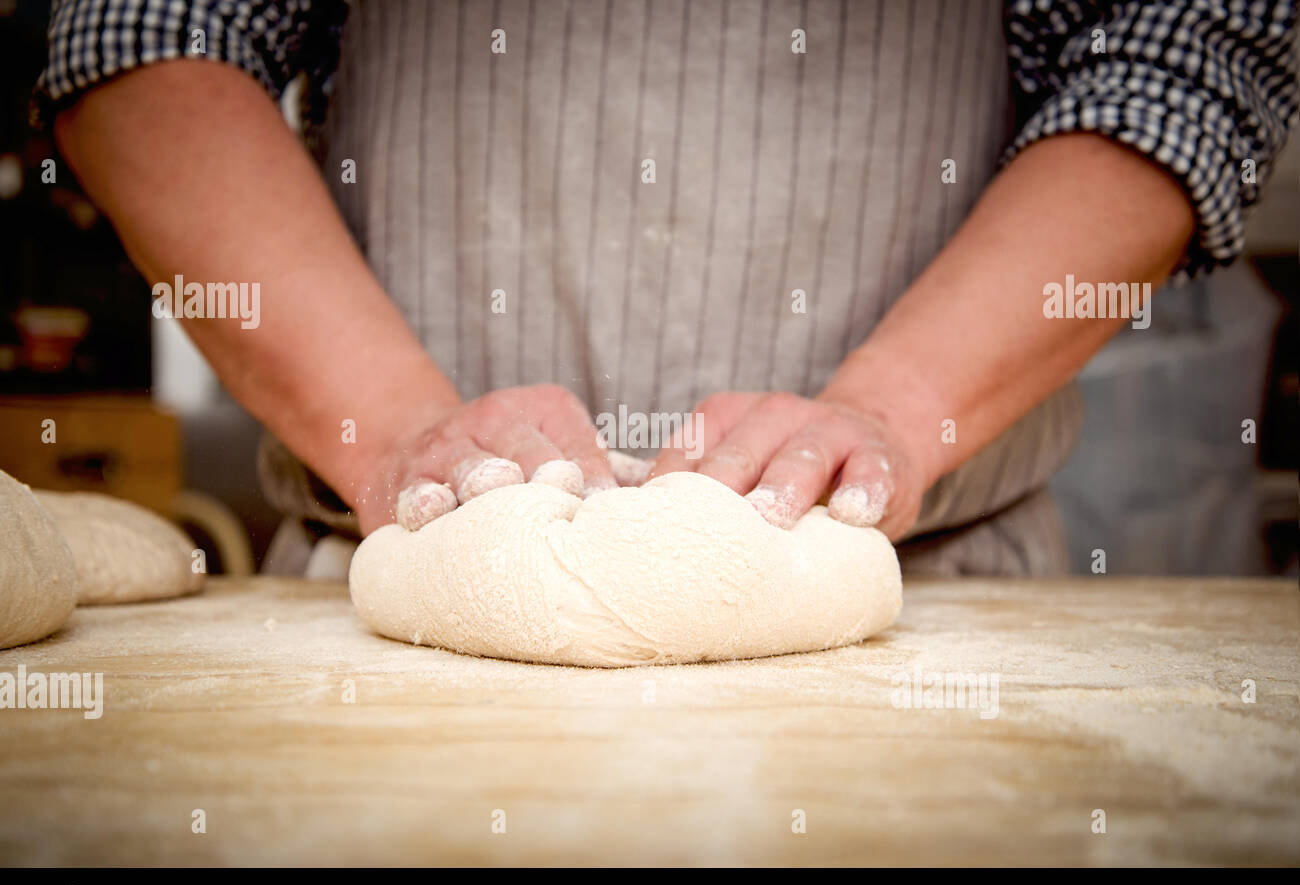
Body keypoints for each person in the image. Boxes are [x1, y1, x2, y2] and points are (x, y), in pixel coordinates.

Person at [35, 0, 1298, 575]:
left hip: (924, 599)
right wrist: (392, 429)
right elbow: (139, 35)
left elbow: (1180, 55)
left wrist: (900, 417)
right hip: (411, 570)